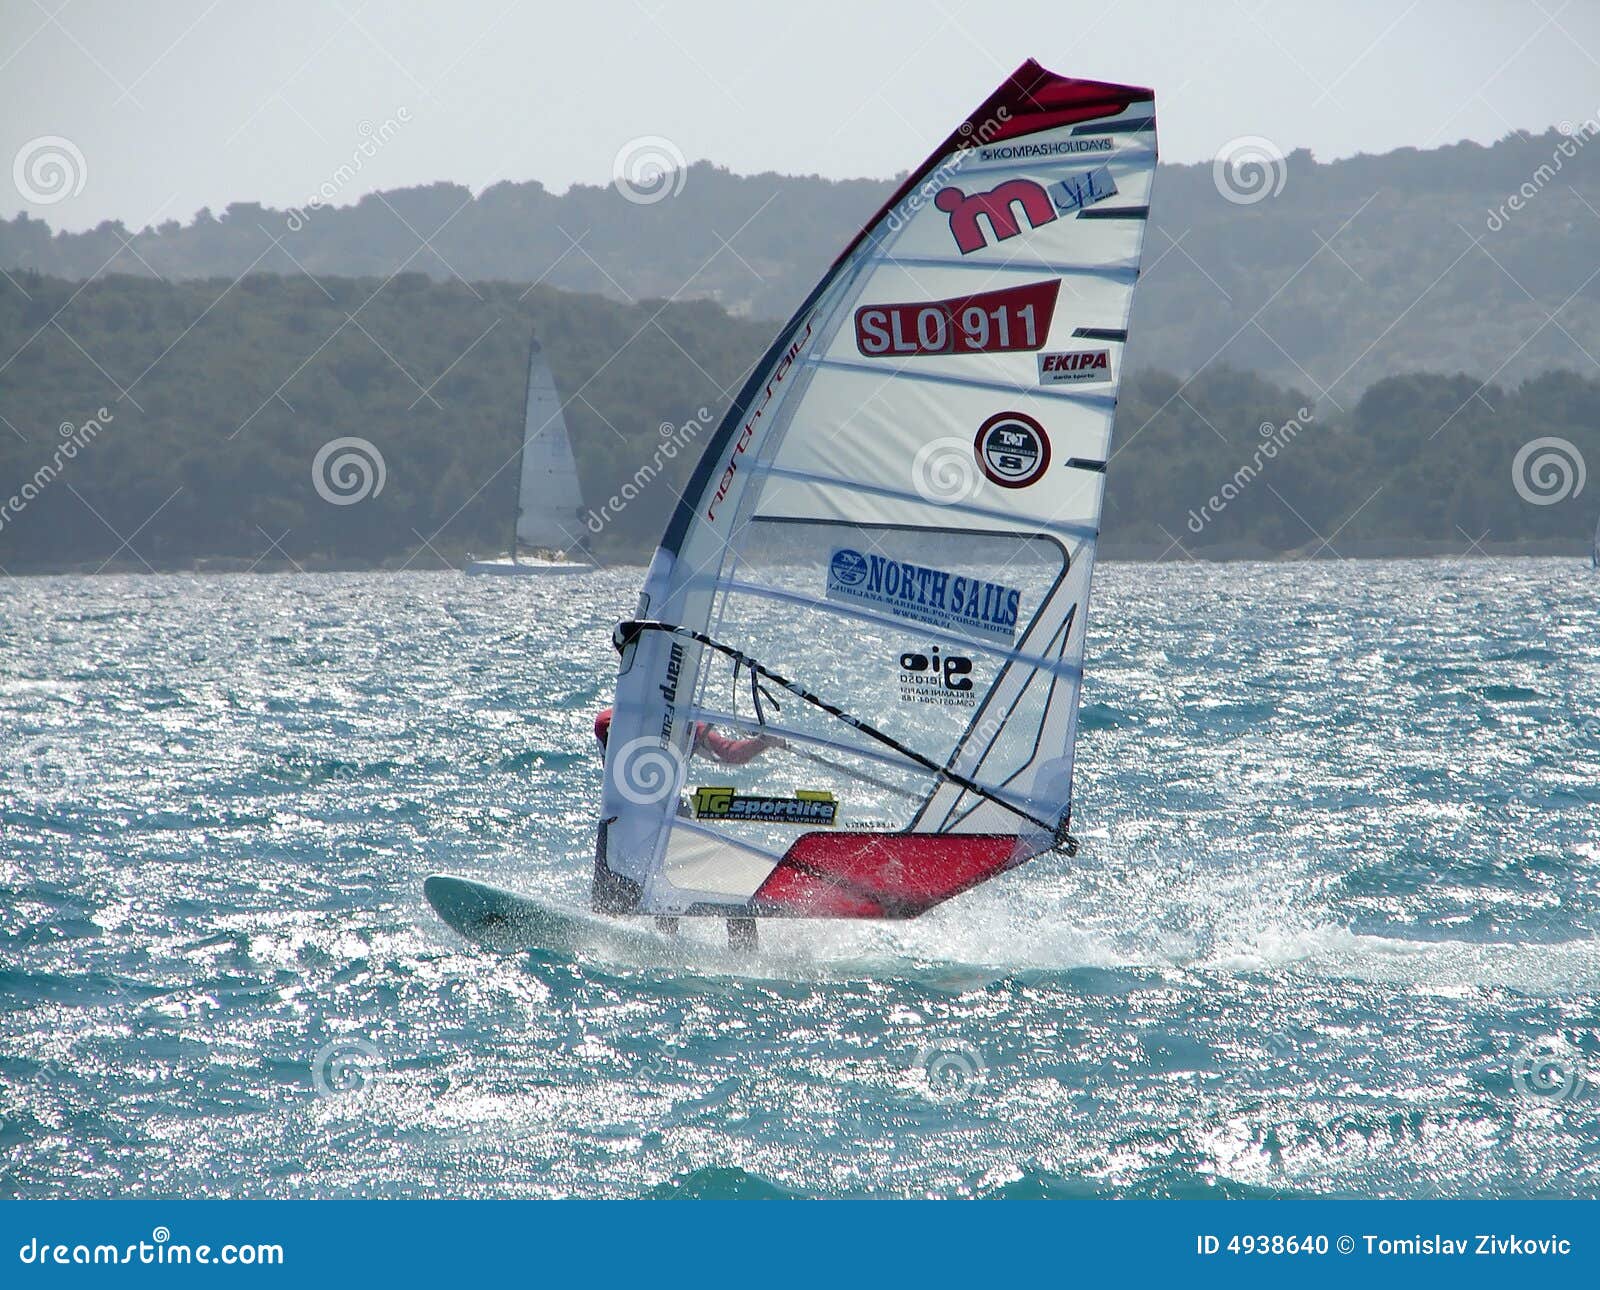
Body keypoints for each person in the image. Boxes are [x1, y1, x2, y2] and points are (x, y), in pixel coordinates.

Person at [592, 707, 784, 764]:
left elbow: (730, 753)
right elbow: (605, 727)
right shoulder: (608, 722)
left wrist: (764, 741)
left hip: (666, 807)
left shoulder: (689, 725)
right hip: (622, 808)